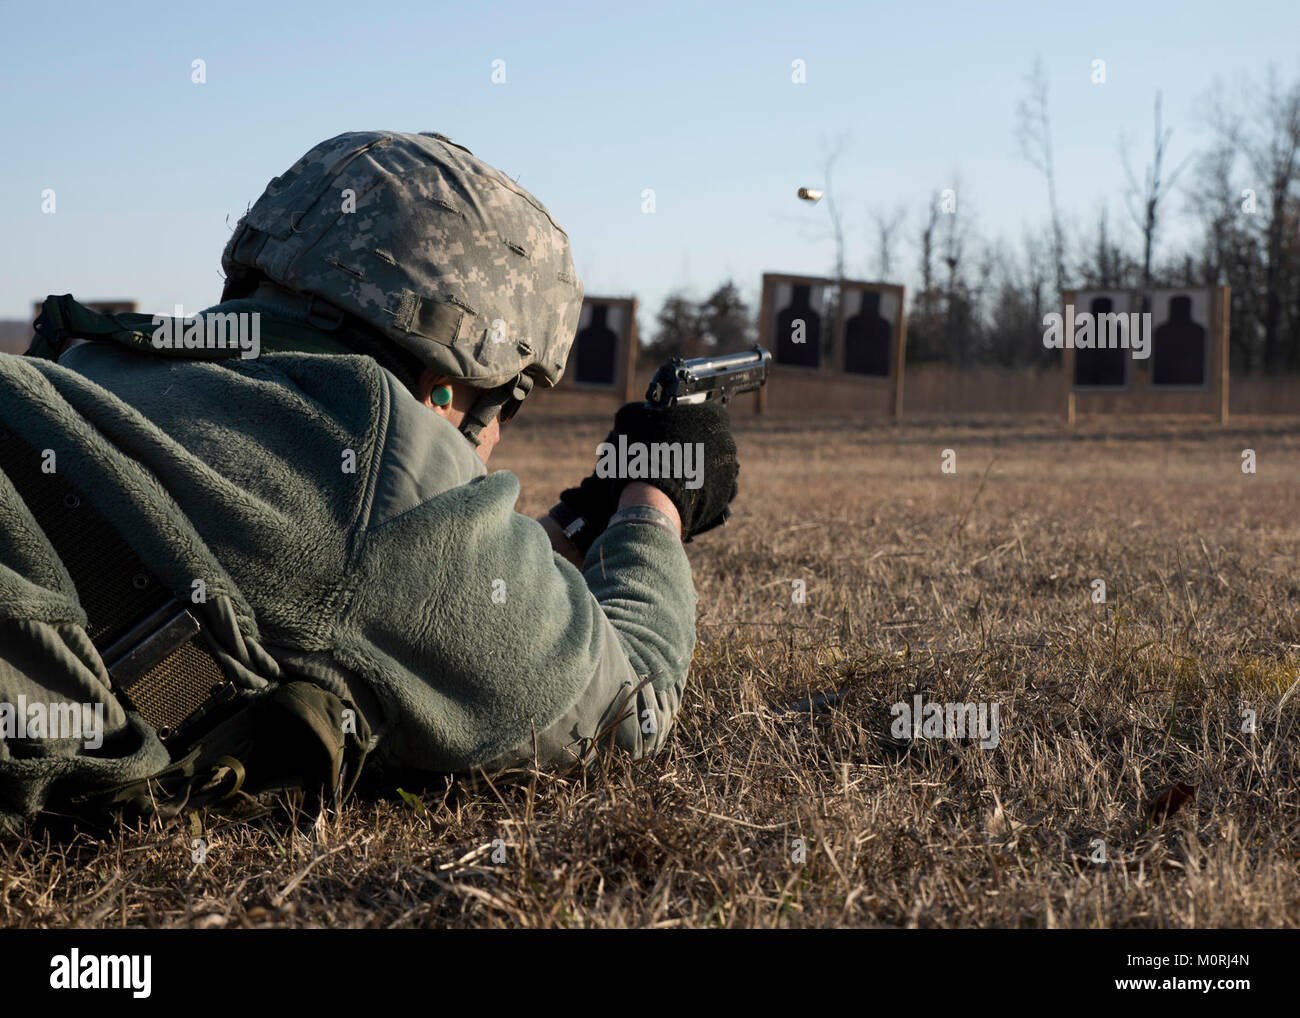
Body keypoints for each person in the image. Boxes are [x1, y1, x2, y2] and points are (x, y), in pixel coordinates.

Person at [0, 130, 738, 835]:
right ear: (446, 387)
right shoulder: (382, 451)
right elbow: (625, 714)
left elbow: (410, 578)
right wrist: (656, 496)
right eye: (509, 401)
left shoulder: (96, 360)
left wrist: (578, 523)